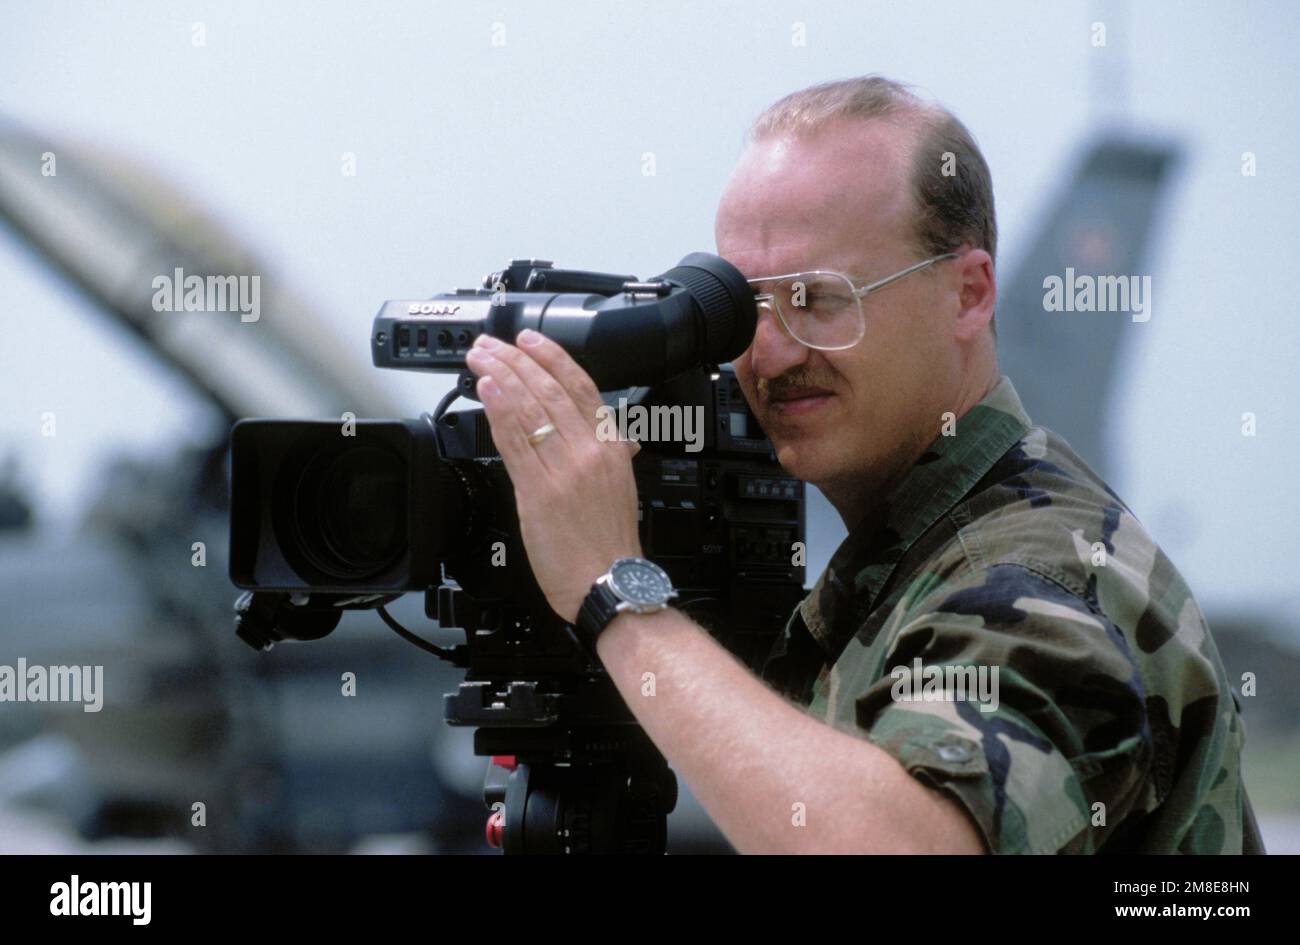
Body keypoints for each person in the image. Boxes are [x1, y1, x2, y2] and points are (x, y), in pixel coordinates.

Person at [461, 75, 1261, 854]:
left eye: (819, 297)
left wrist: (616, 590)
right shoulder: (900, 571)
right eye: (745, 307)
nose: (769, 353)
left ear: (969, 293)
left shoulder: (1040, 575)